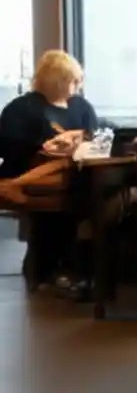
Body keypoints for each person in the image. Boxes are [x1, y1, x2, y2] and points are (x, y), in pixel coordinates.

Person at [0, 50, 99, 286]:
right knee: (68, 190)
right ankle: (54, 267)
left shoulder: (82, 107)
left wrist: (78, 137)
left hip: (74, 170)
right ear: (57, 80)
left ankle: (65, 267)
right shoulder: (22, 109)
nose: (78, 86)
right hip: (31, 169)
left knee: (80, 186)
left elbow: (95, 134)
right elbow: (7, 145)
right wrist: (47, 145)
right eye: (73, 81)